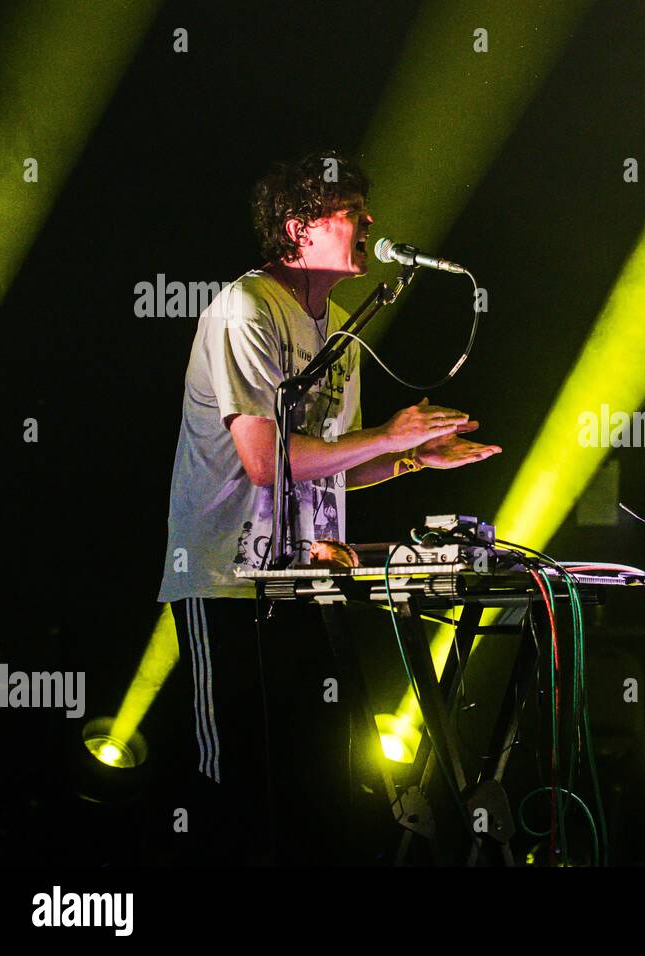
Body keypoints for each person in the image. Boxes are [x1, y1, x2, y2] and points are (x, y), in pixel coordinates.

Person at [156, 150, 500, 863]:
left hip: (309, 582)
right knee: (238, 782)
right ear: (298, 226)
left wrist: (409, 456)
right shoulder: (244, 309)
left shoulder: (338, 325)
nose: (370, 221)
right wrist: (385, 435)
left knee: (321, 774)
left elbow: (329, 464)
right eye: (352, 212)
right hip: (229, 583)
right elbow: (264, 460)